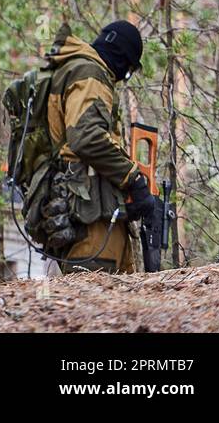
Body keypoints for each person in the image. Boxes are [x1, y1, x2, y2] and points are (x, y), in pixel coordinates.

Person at [39, 20, 158, 273]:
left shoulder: (73, 69)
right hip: (90, 214)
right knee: (98, 297)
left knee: (115, 297)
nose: (121, 78)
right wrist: (132, 178)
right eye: (126, 71)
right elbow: (87, 137)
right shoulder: (91, 75)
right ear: (120, 56)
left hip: (85, 208)